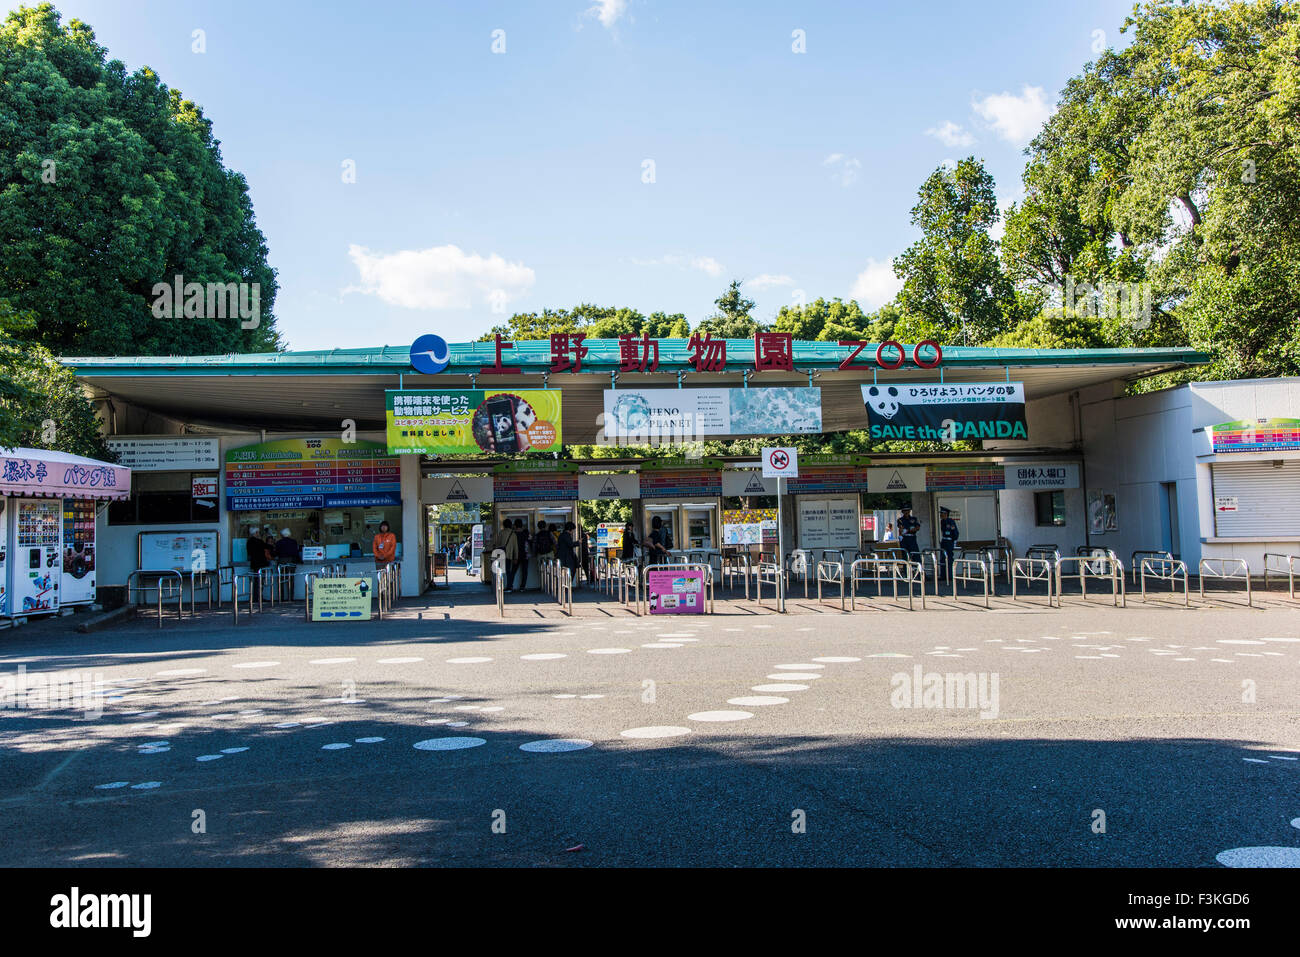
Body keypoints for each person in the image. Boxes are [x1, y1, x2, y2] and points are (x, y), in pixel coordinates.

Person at [491, 519, 519, 591]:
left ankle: (500, 586)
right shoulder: (513, 534)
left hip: (501, 555)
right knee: (508, 571)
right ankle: (509, 586)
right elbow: (515, 547)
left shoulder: (501, 533)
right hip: (509, 555)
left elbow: (497, 544)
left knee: (500, 570)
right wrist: (516, 557)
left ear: (504, 525)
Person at [555, 521, 579, 586]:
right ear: (570, 529)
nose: (573, 531)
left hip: (562, 556)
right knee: (571, 570)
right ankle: (567, 585)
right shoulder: (566, 535)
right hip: (566, 557)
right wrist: (578, 542)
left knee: (566, 571)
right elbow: (570, 544)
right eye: (573, 530)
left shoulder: (561, 535)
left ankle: (566, 585)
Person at [940, 507, 959, 582]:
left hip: (949, 541)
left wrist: (954, 541)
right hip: (944, 541)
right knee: (942, 558)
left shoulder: (950, 521)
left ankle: (950, 575)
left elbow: (955, 533)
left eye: (942, 513)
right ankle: (943, 575)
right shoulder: (942, 521)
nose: (941, 515)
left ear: (946, 514)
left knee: (949, 558)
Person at [511, 518, 530, 591]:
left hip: (516, 555)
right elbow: (528, 544)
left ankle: (510, 585)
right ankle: (522, 587)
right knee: (525, 571)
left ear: (515, 526)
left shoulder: (513, 535)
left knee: (513, 571)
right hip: (525, 555)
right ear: (522, 526)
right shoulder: (525, 534)